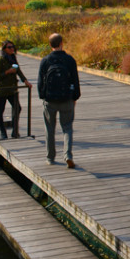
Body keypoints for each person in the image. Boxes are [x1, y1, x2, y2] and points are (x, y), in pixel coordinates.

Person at [37, 33, 80, 168]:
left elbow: (40, 82)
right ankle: (68, 155)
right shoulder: (69, 60)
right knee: (67, 128)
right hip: (66, 99)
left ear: (50, 45)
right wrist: (75, 97)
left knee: (49, 129)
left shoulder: (45, 61)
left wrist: (43, 96)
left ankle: (50, 157)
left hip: (50, 100)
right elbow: (75, 80)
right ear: (62, 43)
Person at [0, 40, 28, 139]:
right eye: (9, 47)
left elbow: (18, 71)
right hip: (2, 90)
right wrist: (7, 72)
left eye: (13, 47)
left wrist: (25, 81)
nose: (12, 49)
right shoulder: (0, 60)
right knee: (0, 111)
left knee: (17, 108)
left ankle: (14, 130)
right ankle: (3, 132)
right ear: (4, 49)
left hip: (12, 89)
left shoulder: (13, 58)